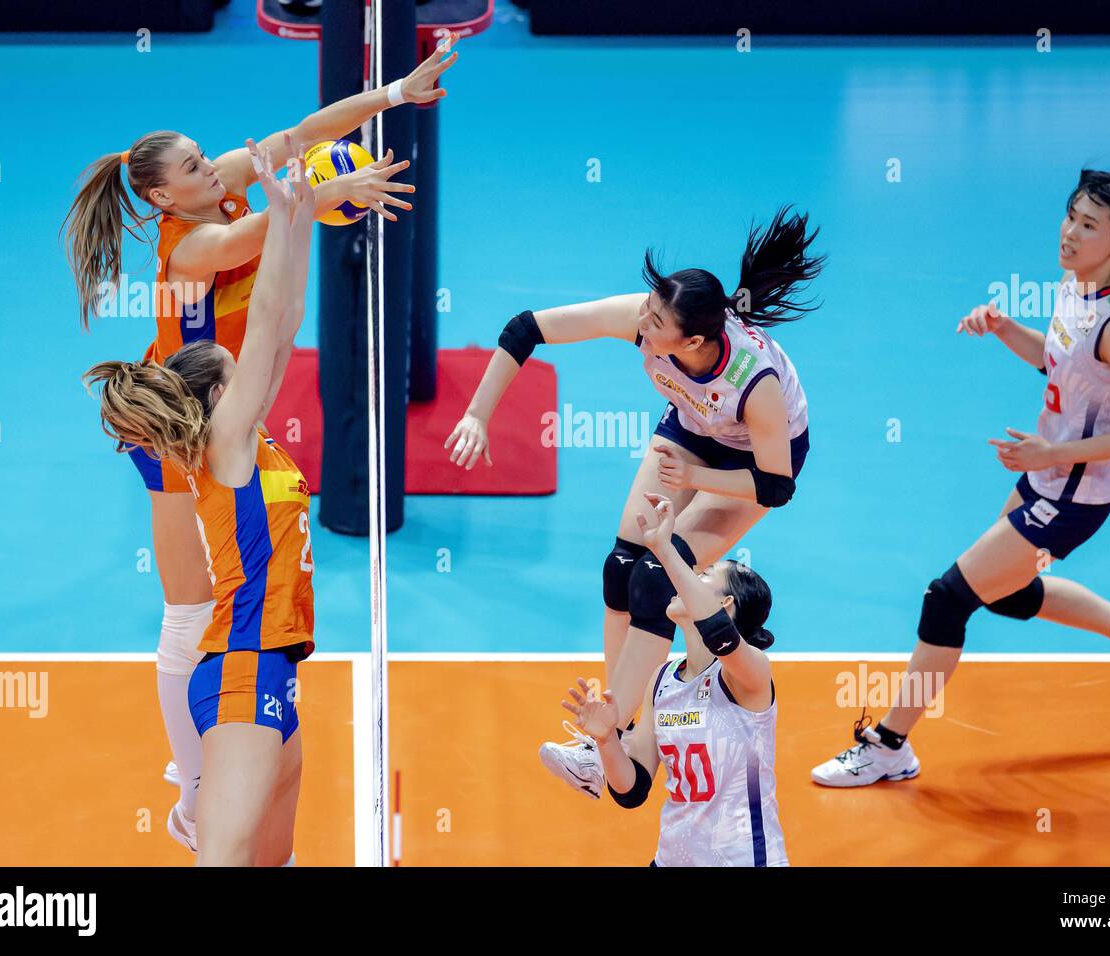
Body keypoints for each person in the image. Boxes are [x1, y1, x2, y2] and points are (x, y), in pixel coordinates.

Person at [63, 36, 457, 846]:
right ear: (164, 201)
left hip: (223, 410)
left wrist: (394, 94)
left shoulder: (214, 194)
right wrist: (335, 188)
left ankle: (202, 771)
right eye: (198, 171)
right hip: (179, 429)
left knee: (210, 598)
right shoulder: (194, 244)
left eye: (210, 161)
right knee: (187, 613)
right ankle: (191, 786)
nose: (215, 172)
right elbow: (284, 222)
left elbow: (300, 134)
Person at [813, 170, 1110, 787]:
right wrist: (1006, 329)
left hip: (1072, 496)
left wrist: (1050, 456)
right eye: (1070, 215)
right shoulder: (1076, 285)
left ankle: (889, 746)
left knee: (947, 597)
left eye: (1089, 225)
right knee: (1007, 591)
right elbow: (1060, 360)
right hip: (1047, 475)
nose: (1069, 232)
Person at [447, 207, 823, 796]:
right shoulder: (646, 319)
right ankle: (612, 737)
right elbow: (526, 329)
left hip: (753, 464)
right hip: (694, 429)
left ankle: (610, 739)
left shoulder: (758, 384)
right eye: (646, 309)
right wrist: (477, 413)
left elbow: (777, 488)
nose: (641, 324)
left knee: (656, 577)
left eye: (655, 321)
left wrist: (697, 474)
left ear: (694, 340)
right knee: (621, 568)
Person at [84, 137, 316, 864]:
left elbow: (282, 316)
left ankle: (193, 801)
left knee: (273, 859)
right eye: (226, 359)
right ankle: (190, 797)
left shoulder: (252, 437)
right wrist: (283, 218)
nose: (233, 341)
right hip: (242, 667)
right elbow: (270, 309)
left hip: (275, 668)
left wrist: (295, 215)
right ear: (219, 395)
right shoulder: (227, 444)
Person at [559, 493, 787, 866]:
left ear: (724, 603)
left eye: (702, 575)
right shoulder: (662, 681)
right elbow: (631, 790)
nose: (686, 580)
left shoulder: (750, 675)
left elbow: (721, 636)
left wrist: (665, 550)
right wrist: (606, 741)